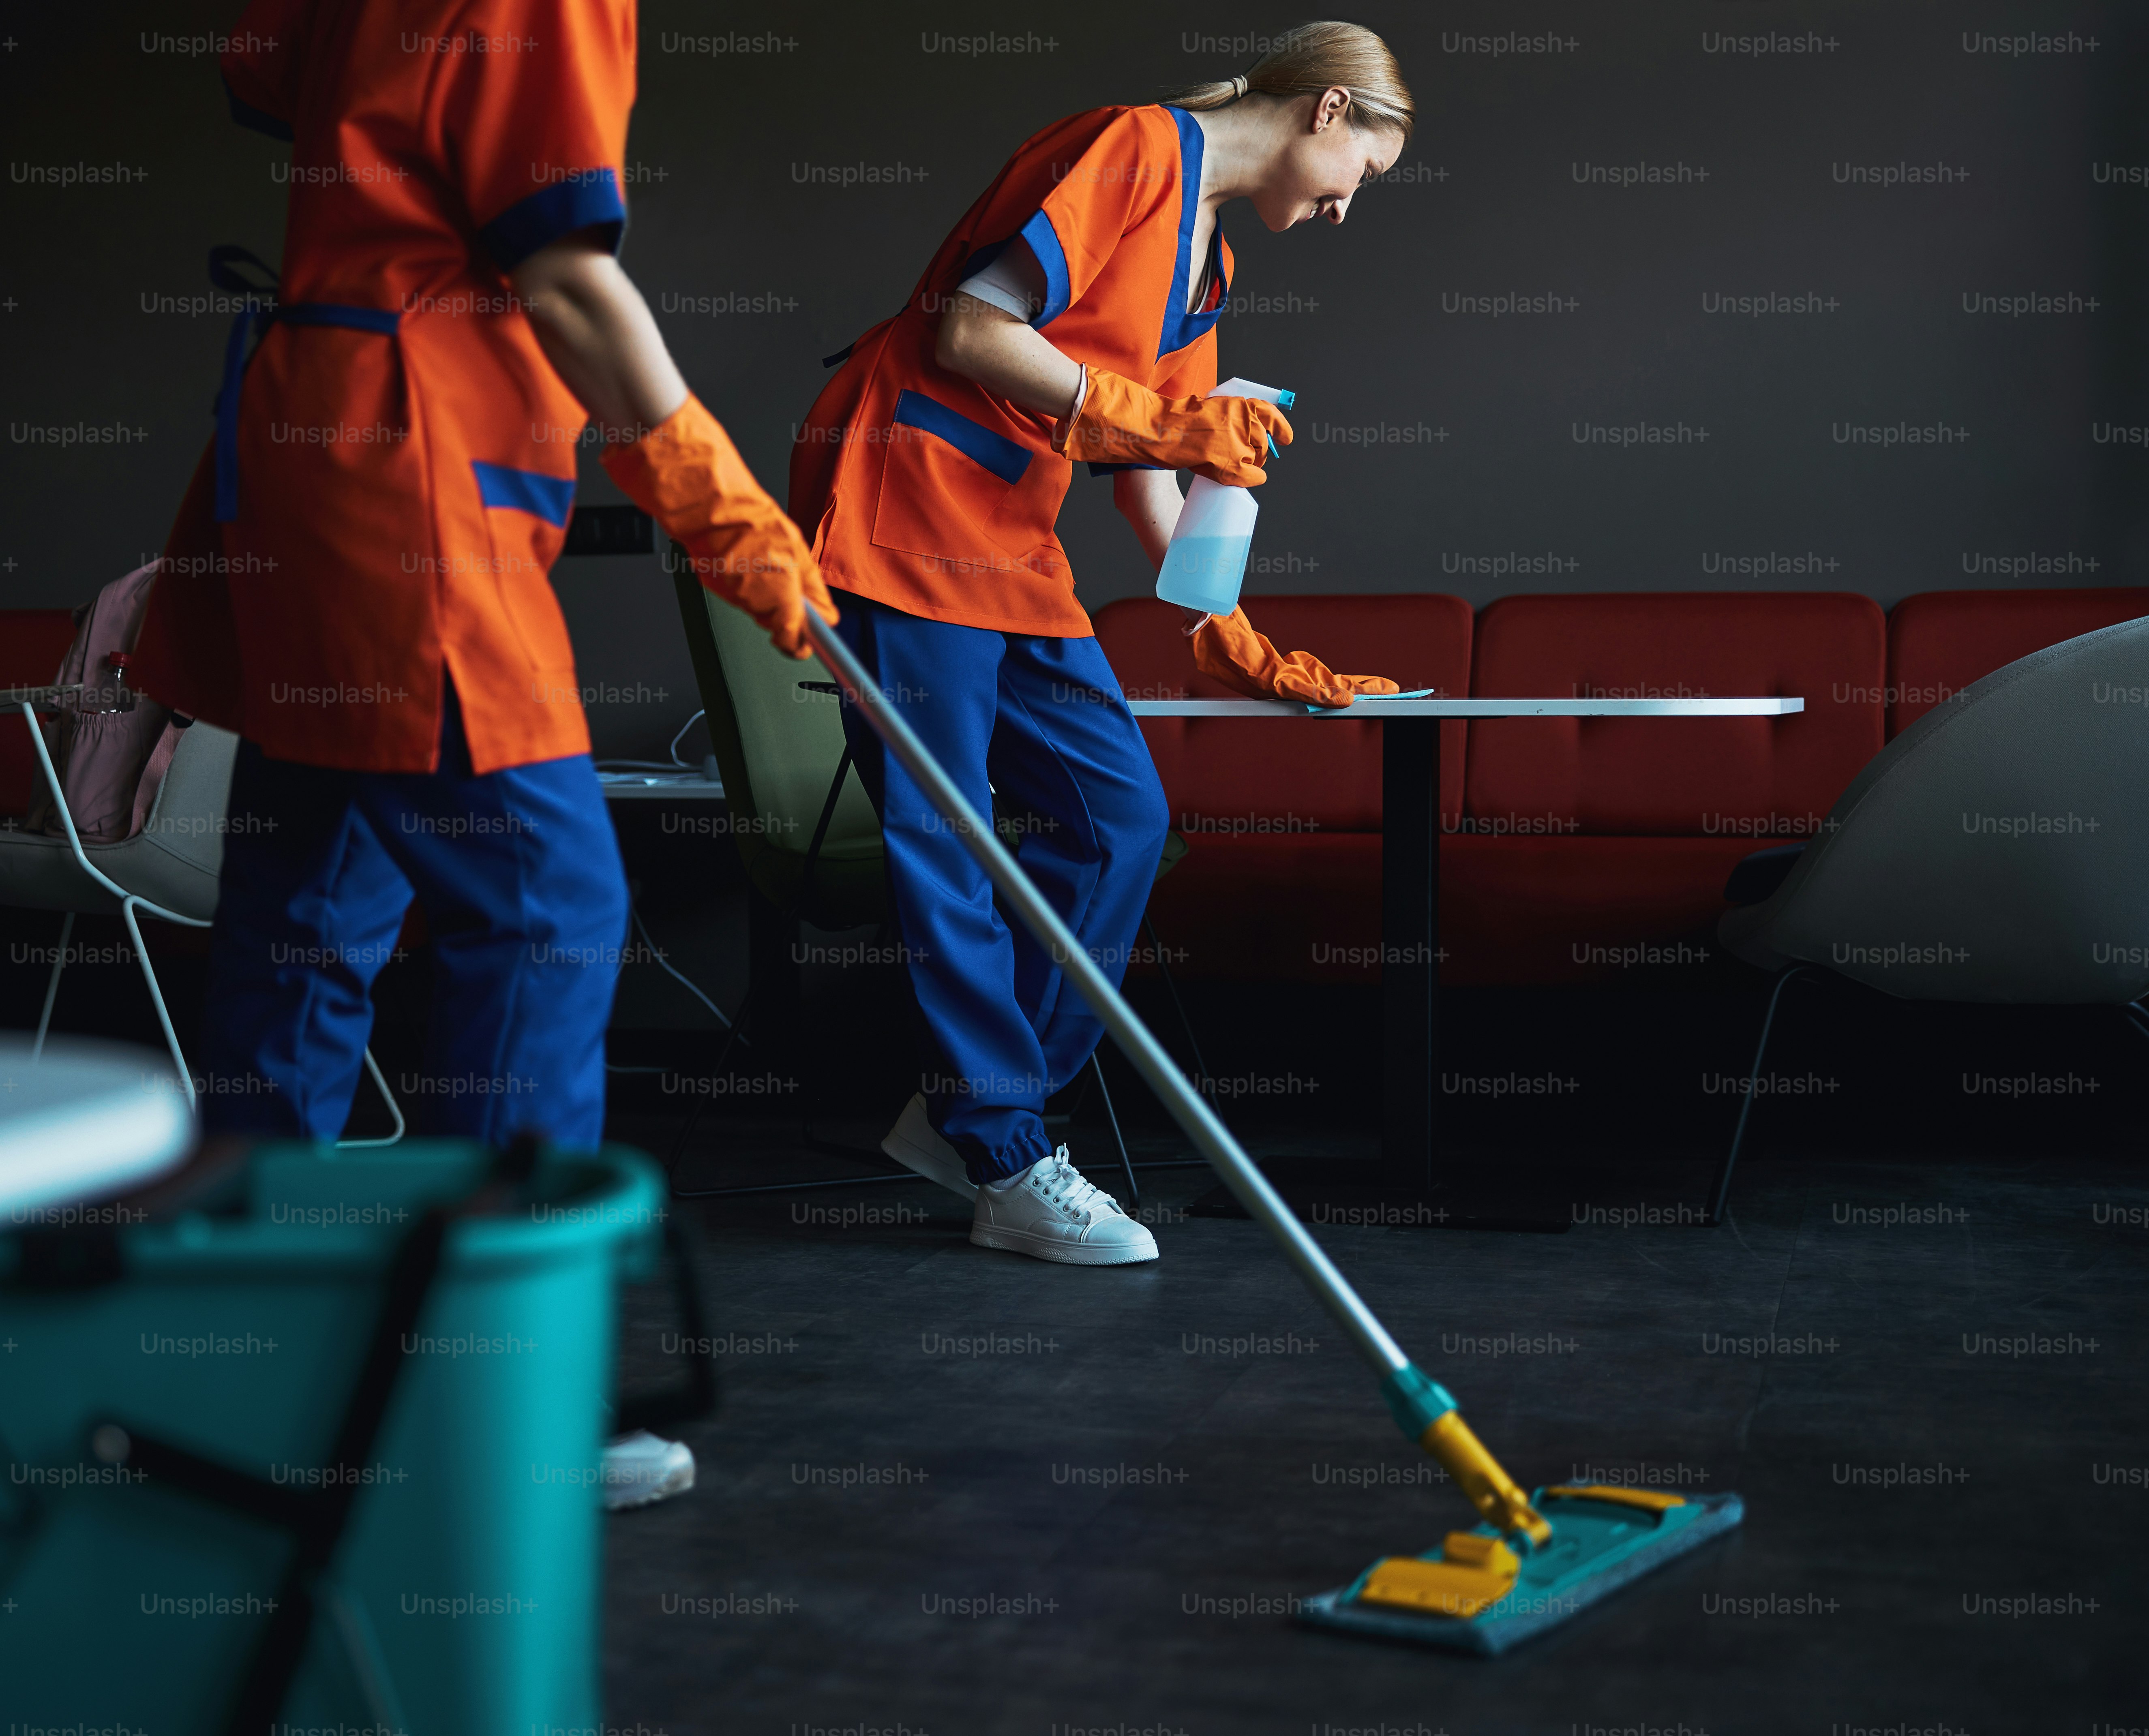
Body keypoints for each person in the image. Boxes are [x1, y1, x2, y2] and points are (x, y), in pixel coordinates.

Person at [131, 0, 834, 1510]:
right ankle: (494, 1396)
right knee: (541, 911)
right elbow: (566, 272)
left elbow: (261, 66)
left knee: (305, 920)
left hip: (312, 477)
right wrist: (746, 534)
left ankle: (241, 1352)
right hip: (407, 495)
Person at [788, 23, 1414, 1265]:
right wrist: (1162, 422)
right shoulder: (1129, 149)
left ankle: (967, 1108)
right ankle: (1009, 1154)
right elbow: (971, 331)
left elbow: (1149, 485)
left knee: (1119, 820)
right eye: (1363, 179)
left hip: (1010, 542)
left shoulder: (1210, 271)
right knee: (948, 828)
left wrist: (1224, 626)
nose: (1348, 211)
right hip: (903, 496)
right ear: (1325, 113)